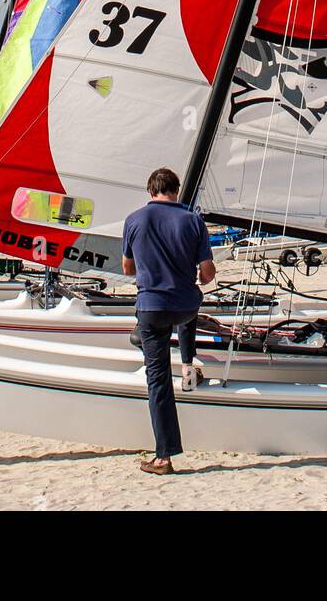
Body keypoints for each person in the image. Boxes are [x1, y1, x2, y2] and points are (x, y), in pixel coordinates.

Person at [122, 167, 216, 476]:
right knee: (187, 307)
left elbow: (127, 269)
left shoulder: (134, 220)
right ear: (176, 190)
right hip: (186, 308)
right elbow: (207, 273)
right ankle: (188, 364)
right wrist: (195, 276)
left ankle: (164, 457)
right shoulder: (193, 219)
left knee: (157, 378)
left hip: (153, 309)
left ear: (150, 191)